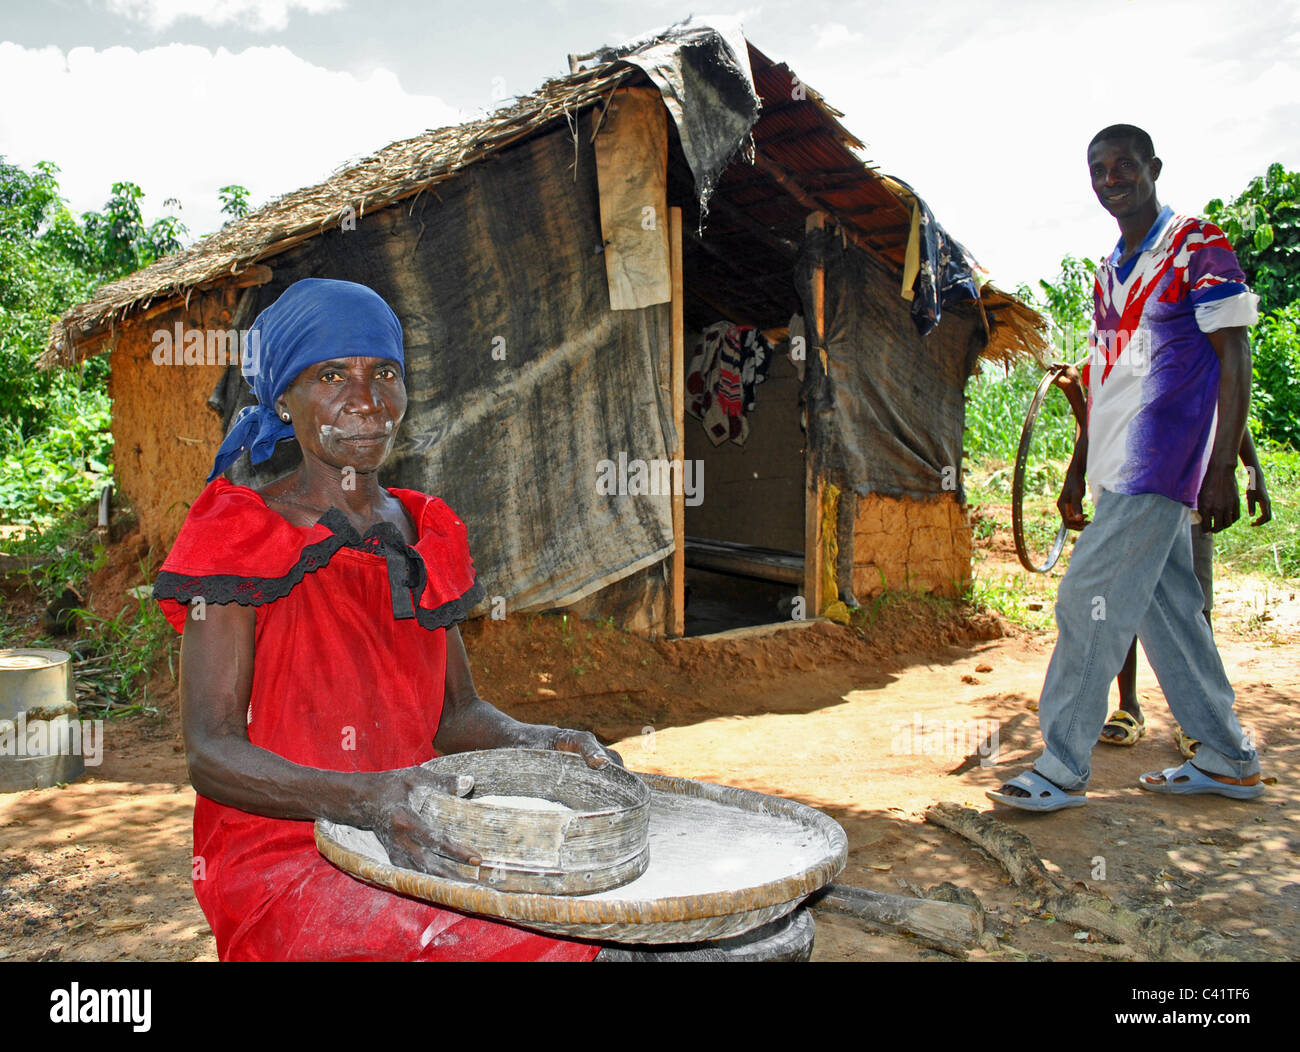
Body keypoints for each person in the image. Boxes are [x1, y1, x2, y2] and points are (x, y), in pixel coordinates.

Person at [154, 278, 616, 960]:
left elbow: (455, 717)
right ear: (284, 397)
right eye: (332, 375)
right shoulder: (240, 536)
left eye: (384, 374)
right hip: (287, 852)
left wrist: (536, 740)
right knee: (532, 948)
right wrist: (366, 799)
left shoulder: (423, 530)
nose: (366, 400)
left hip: (412, 831)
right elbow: (211, 752)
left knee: (592, 921)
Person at [987, 125, 1265, 811]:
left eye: (1125, 166)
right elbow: (1105, 379)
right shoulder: (1111, 268)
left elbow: (1233, 354)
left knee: (1087, 598)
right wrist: (1078, 471)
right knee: (1169, 610)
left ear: (1153, 168)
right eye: (1099, 169)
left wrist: (1226, 465)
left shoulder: (1196, 245)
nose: (1112, 179)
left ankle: (1060, 766)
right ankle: (1228, 757)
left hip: (1164, 463)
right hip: (1118, 466)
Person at [1047, 365, 1271, 751]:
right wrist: (1076, 468)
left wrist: (1251, 475)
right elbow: (1101, 417)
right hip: (1127, 492)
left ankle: (1198, 721)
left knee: (1193, 607)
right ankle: (1128, 706)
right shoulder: (1113, 335)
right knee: (1120, 603)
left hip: (1189, 492)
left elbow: (1225, 402)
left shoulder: (1190, 330)